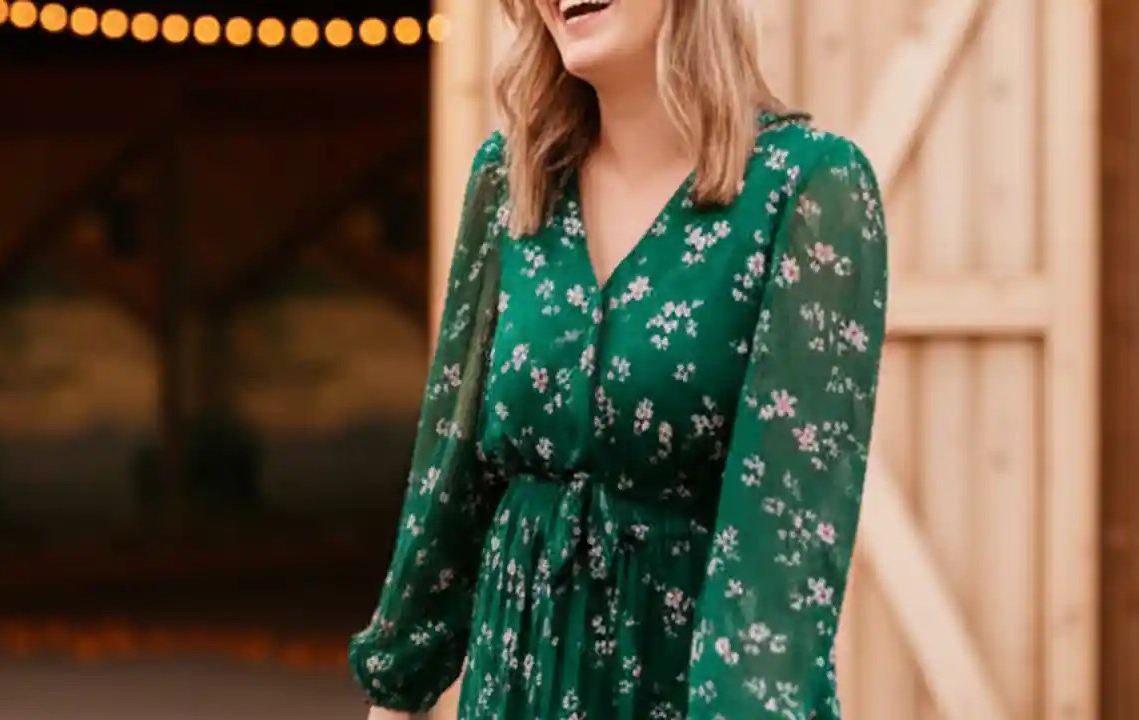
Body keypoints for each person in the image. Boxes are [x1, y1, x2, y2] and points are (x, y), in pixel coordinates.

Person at [348, 0, 889, 717]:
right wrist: (395, 693)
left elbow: (779, 564)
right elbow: (448, 492)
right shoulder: (509, 181)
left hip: (673, 692)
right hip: (514, 692)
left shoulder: (807, 188)